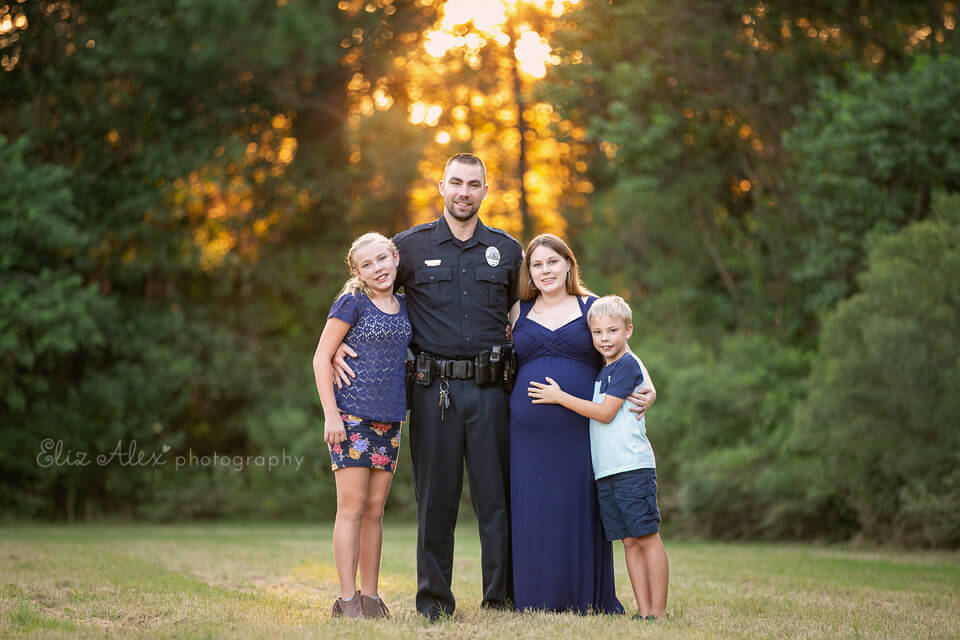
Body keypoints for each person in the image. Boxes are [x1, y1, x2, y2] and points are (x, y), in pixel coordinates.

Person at [333, 154, 522, 620]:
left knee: (495, 500)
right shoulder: (407, 247)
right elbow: (366, 287)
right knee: (434, 501)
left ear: (484, 190)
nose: (464, 191)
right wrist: (335, 345)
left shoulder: (507, 249)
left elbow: (530, 314)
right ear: (441, 186)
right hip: (431, 390)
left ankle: (499, 599)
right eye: (455, 182)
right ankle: (435, 602)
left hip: (491, 389)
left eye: (473, 184)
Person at [507, 234, 656, 614]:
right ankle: (537, 597)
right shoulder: (517, 311)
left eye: (552, 262)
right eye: (537, 265)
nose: (545, 270)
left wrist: (649, 385)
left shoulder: (591, 306)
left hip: (581, 430)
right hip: (527, 434)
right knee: (535, 509)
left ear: (568, 264)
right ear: (530, 272)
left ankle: (585, 596)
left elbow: (624, 351)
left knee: (578, 507)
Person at [528, 295, 669, 620]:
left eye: (612, 331)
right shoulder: (603, 369)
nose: (605, 338)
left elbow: (605, 414)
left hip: (632, 467)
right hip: (607, 471)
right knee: (628, 542)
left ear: (628, 331)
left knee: (647, 537)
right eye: (598, 332)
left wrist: (560, 397)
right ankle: (644, 611)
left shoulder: (626, 366)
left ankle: (659, 612)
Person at [312, 232, 412, 619]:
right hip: (350, 417)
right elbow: (322, 358)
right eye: (367, 264)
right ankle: (347, 600)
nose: (378, 268)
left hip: (390, 420)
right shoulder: (352, 302)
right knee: (351, 509)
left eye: (383, 259)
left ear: (396, 258)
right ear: (357, 271)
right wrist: (331, 414)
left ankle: (371, 599)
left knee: (374, 511)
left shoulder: (405, 305)